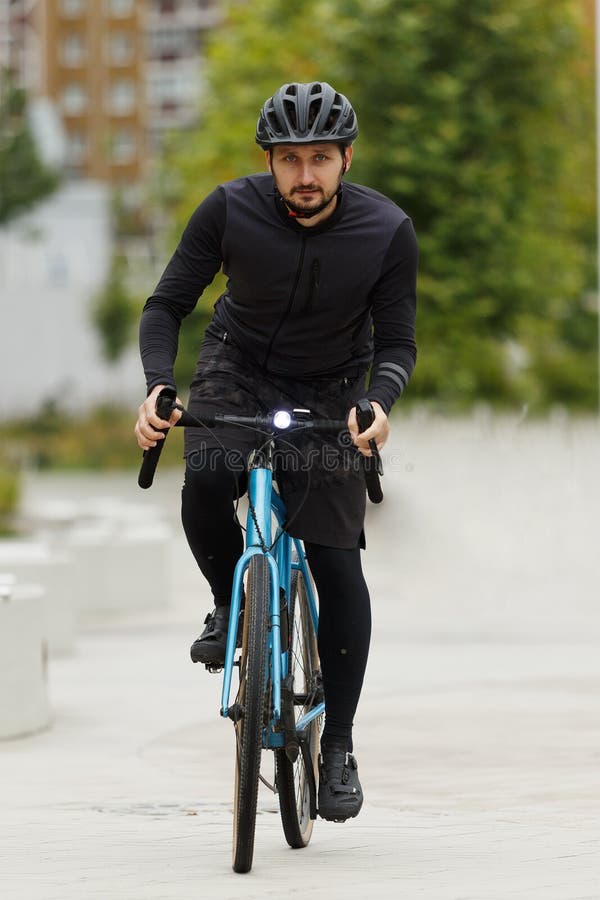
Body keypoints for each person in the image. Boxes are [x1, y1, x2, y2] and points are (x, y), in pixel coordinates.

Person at [135, 81, 418, 823]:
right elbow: (166, 305)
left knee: (334, 560)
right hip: (237, 368)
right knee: (205, 479)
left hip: (330, 389)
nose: (304, 175)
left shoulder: (386, 230)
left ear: (345, 158)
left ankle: (340, 748)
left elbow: (397, 342)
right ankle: (231, 604)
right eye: (288, 159)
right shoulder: (228, 210)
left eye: (319, 158)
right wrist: (157, 389)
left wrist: (378, 405)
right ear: (269, 161)